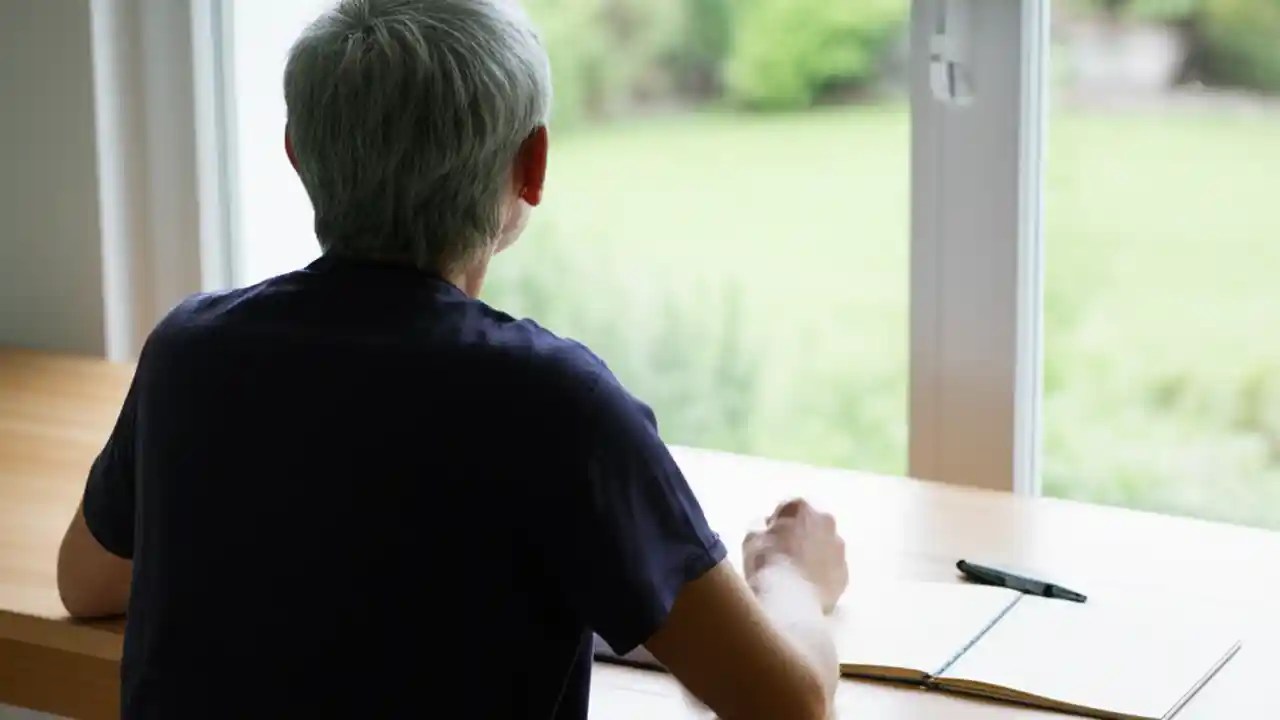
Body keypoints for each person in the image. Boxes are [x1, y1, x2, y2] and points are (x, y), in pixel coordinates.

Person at [55, 0, 849, 717]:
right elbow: (789, 708)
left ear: (296, 154)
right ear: (530, 168)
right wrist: (790, 575)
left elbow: (84, 583)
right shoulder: (552, 404)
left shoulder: (189, 353)